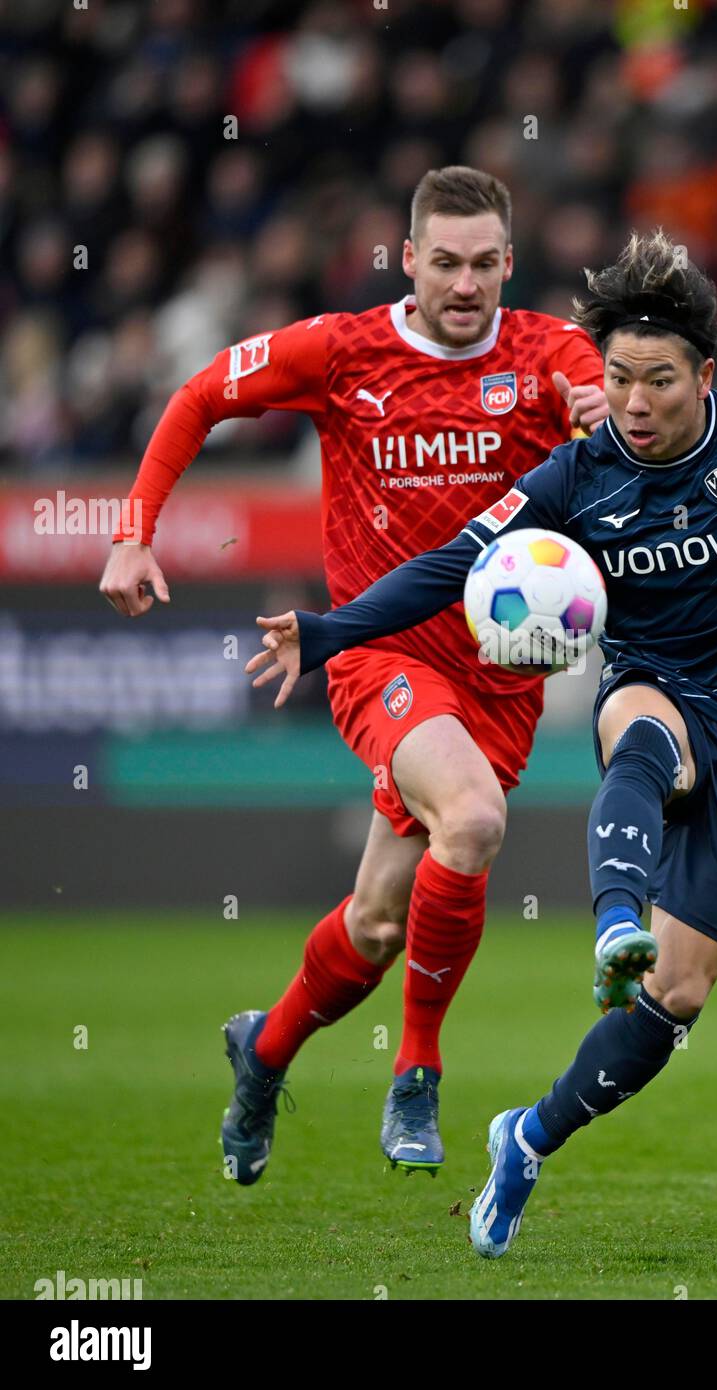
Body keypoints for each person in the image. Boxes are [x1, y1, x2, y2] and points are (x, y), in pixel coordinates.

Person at [244, 229, 717, 1254]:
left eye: (657, 381)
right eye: (617, 378)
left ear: (703, 376)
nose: (632, 402)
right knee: (638, 740)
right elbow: (448, 565)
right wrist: (327, 631)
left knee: (680, 994)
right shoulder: (574, 479)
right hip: (656, 686)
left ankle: (527, 1136)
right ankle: (614, 921)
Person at [98, 166, 607, 1183]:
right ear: (409, 260)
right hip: (379, 652)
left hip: (502, 677)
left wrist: (608, 419)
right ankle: (418, 1071)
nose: (464, 287)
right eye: (445, 264)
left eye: (484, 266)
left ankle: (265, 1048)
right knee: (470, 821)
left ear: (509, 263)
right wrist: (132, 532)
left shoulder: (552, 354)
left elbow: (632, 421)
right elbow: (200, 395)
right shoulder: (342, 350)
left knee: (378, 918)